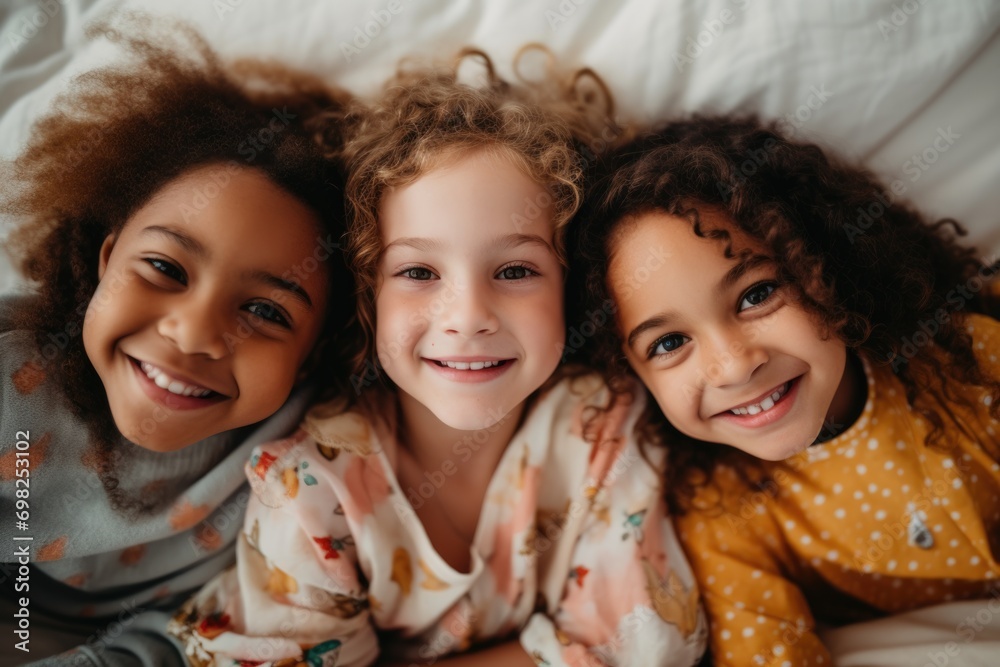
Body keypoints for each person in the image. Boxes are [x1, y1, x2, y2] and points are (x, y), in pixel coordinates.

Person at [168, 51, 707, 667]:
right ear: (368, 295)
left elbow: (649, 642)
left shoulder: (602, 427)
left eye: (515, 270)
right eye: (419, 272)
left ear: (571, 285)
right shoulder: (312, 487)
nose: (468, 314)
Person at [566, 115, 1000, 666]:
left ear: (826, 269)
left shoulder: (968, 364)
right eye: (670, 342)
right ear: (633, 377)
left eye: (757, 295)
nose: (733, 366)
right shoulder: (720, 517)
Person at [0, 16, 355, 666]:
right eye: (165, 268)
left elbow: (190, 636)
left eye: (266, 310)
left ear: (313, 355)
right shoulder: (11, 378)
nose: (193, 333)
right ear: (105, 259)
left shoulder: (290, 469)